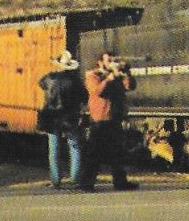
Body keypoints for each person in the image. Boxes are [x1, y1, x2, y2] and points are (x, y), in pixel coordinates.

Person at [80, 51, 138, 191]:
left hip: (115, 119)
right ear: (100, 62)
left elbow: (130, 86)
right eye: (109, 59)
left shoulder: (117, 76)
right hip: (100, 120)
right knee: (95, 153)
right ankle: (86, 183)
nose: (112, 62)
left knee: (118, 153)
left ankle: (120, 182)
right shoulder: (93, 76)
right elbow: (98, 91)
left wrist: (126, 72)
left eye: (113, 59)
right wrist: (110, 78)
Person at [37, 49, 87, 189]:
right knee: (75, 148)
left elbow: (40, 83)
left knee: (54, 150)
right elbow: (85, 97)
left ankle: (56, 180)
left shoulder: (49, 78)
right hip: (70, 118)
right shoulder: (75, 81)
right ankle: (75, 179)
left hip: (52, 118)